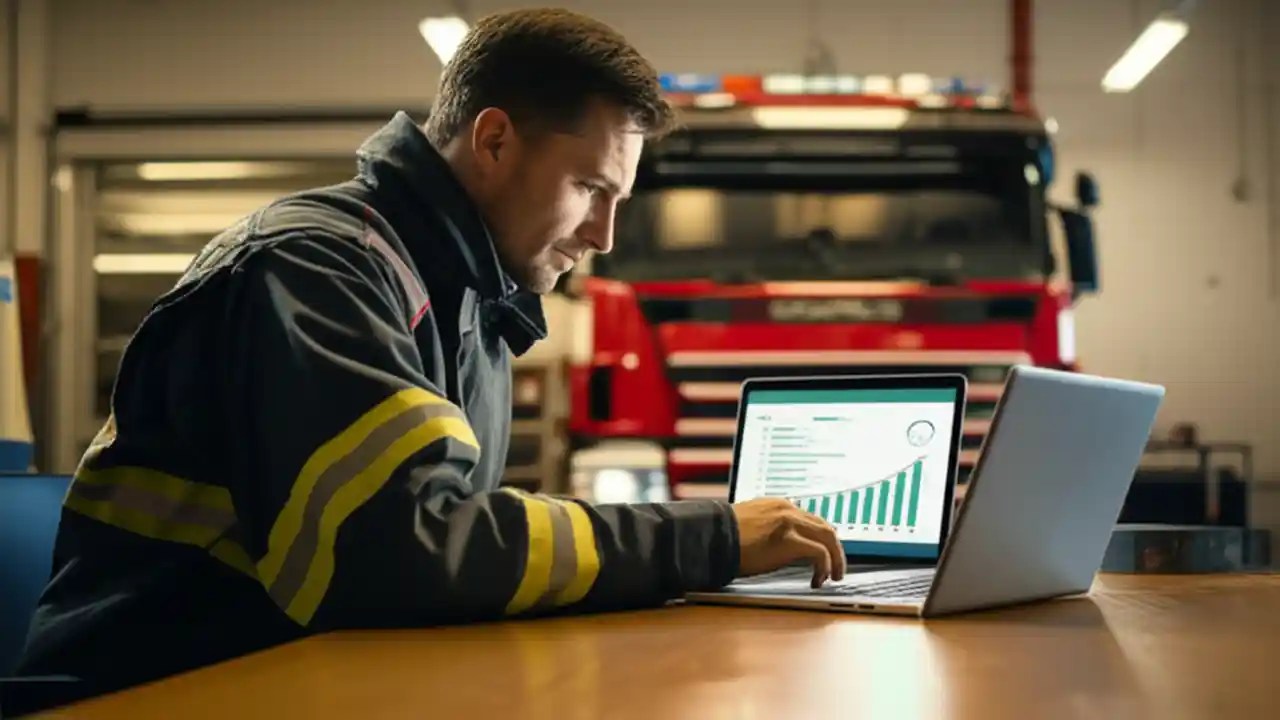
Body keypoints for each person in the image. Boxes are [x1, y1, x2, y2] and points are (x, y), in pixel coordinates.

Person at [13, 7, 844, 710]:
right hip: (148, 693)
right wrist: (706, 539)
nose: (605, 236)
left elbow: (438, 553)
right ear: (493, 141)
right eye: (592, 188)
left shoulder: (464, 299)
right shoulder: (315, 267)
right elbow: (400, 551)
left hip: (282, 676)